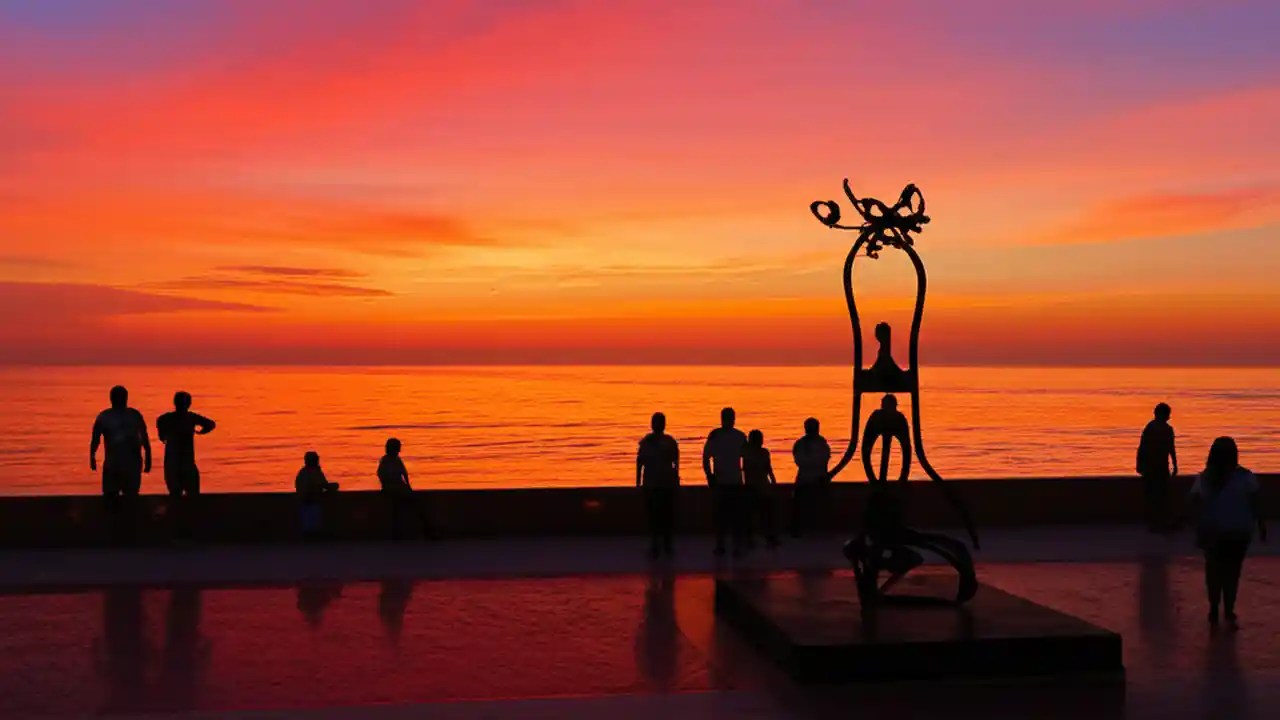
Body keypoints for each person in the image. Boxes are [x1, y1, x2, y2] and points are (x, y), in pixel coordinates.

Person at [1189, 437, 1266, 629]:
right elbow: (1256, 504)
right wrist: (1262, 526)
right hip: (1239, 532)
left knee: (1213, 571)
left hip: (1212, 532)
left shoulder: (1205, 478)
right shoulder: (1246, 477)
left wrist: (1193, 525)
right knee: (1232, 572)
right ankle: (1229, 610)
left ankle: (1214, 607)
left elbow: (1193, 503)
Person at [90, 385, 151, 507]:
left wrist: (148, 458)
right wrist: (92, 456)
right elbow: (95, 439)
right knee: (115, 497)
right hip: (116, 465)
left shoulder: (132, 415)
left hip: (129, 465)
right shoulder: (106, 416)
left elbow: (144, 438)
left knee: (129, 497)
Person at [702, 407, 747, 557]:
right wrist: (710, 476)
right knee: (720, 516)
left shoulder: (740, 436)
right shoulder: (715, 436)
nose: (728, 420)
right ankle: (721, 545)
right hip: (721, 482)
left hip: (735, 481)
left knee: (737, 517)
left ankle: (736, 546)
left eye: (730, 417)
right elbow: (706, 457)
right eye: (726, 417)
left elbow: (746, 459)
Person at [636, 412, 680, 558]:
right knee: (656, 516)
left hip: (664, 484)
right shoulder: (647, 441)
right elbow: (640, 462)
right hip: (653, 484)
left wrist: (675, 480)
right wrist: (638, 482)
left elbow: (676, 463)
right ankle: (658, 544)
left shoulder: (667, 441)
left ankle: (664, 544)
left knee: (664, 516)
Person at [156, 391, 215, 498]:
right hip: (182, 462)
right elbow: (210, 424)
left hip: (177, 462)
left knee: (180, 493)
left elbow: (210, 424)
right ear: (189, 404)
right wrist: (201, 431)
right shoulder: (190, 417)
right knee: (188, 493)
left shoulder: (166, 418)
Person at [377, 438, 434, 541]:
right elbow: (383, 476)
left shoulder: (396, 460)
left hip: (399, 489)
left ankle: (427, 529)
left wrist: (407, 487)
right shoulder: (385, 461)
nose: (399, 450)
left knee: (416, 504)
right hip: (392, 489)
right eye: (398, 448)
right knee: (401, 507)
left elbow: (404, 474)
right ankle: (426, 531)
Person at [1137, 403, 1178, 532]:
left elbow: (1142, 447)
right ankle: (1158, 522)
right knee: (1159, 494)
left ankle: (1156, 522)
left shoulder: (1152, 428)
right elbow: (1171, 448)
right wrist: (1175, 464)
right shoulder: (1163, 429)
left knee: (1155, 494)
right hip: (1156, 466)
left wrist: (1139, 463)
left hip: (1155, 466)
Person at [791, 417, 831, 537]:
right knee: (797, 501)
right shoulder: (800, 444)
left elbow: (824, 459)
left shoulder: (822, 443)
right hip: (805, 479)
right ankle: (797, 529)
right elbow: (799, 461)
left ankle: (823, 528)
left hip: (818, 479)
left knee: (824, 500)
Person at [743, 429, 779, 549]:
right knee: (755, 513)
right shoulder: (747, 453)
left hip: (762, 486)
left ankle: (768, 536)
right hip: (753, 487)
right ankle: (753, 537)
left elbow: (769, 469)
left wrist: (773, 482)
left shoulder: (762, 452)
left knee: (767, 513)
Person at [296, 451, 339, 540]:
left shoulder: (302, 473)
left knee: (309, 525)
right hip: (311, 502)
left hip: (305, 502)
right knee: (312, 525)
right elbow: (322, 485)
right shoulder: (314, 472)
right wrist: (334, 486)